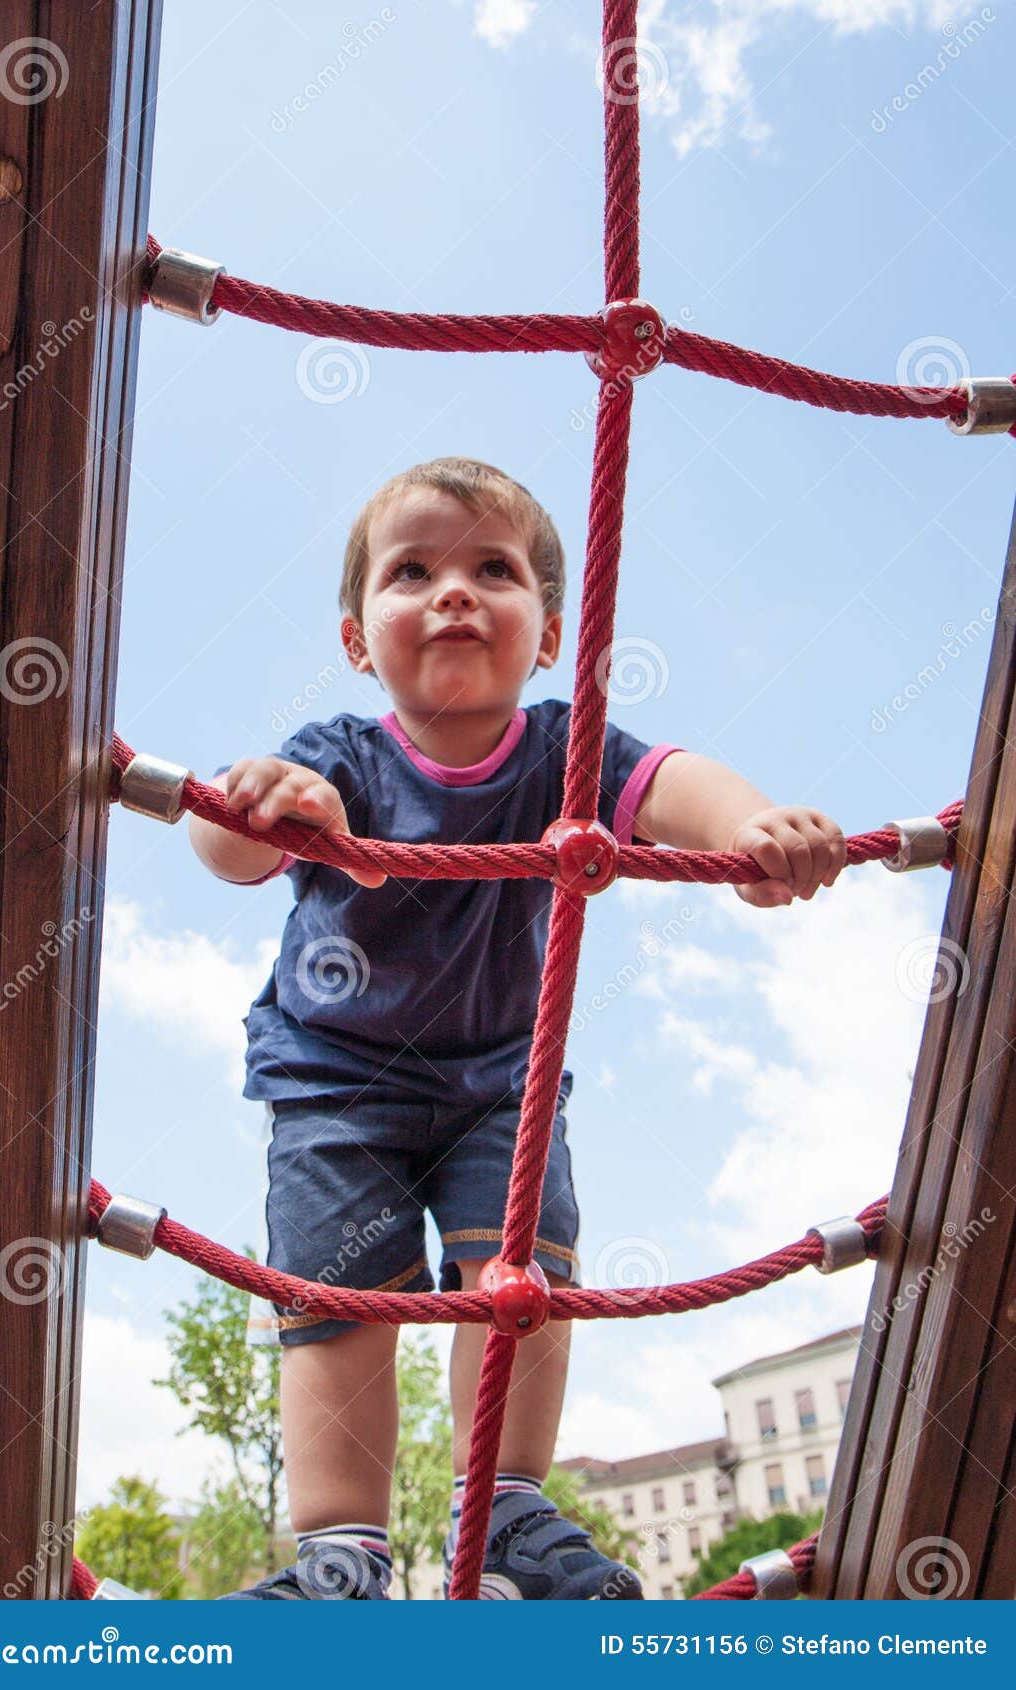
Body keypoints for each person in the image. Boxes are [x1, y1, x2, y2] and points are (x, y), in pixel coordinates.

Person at [187, 457, 846, 1601]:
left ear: (545, 635)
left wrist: (748, 831)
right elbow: (231, 850)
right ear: (357, 638)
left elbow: (675, 782)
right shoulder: (339, 751)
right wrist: (267, 813)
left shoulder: (559, 751)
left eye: (491, 568)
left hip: (502, 1083)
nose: (452, 590)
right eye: (414, 570)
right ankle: (338, 1554)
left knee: (521, 1277)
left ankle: (502, 1516)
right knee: (337, 1300)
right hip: (332, 1079)